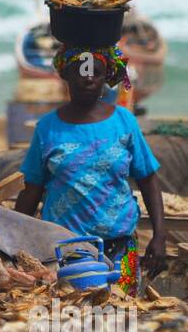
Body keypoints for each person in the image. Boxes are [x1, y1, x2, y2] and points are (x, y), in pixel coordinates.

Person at [15, 44, 166, 295]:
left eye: (95, 71)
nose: (88, 78)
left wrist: (160, 236)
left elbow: (148, 179)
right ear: (66, 75)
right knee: (69, 319)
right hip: (63, 248)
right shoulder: (48, 128)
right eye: (81, 71)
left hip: (119, 247)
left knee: (119, 318)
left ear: (106, 77)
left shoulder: (124, 121)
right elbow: (31, 190)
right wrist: (16, 241)